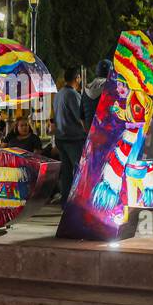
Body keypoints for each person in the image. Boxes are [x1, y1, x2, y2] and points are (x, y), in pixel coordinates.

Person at [53, 69, 87, 202]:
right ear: (77, 78)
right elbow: (80, 117)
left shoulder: (58, 94)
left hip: (61, 137)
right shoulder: (72, 95)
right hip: (73, 138)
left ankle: (66, 202)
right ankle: (80, 201)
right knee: (80, 170)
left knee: (66, 173)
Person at [82, 60, 112, 125]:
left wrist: (87, 132)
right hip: (104, 130)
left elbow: (82, 117)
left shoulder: (86, 89)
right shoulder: (110, 88)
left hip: (89, 132)